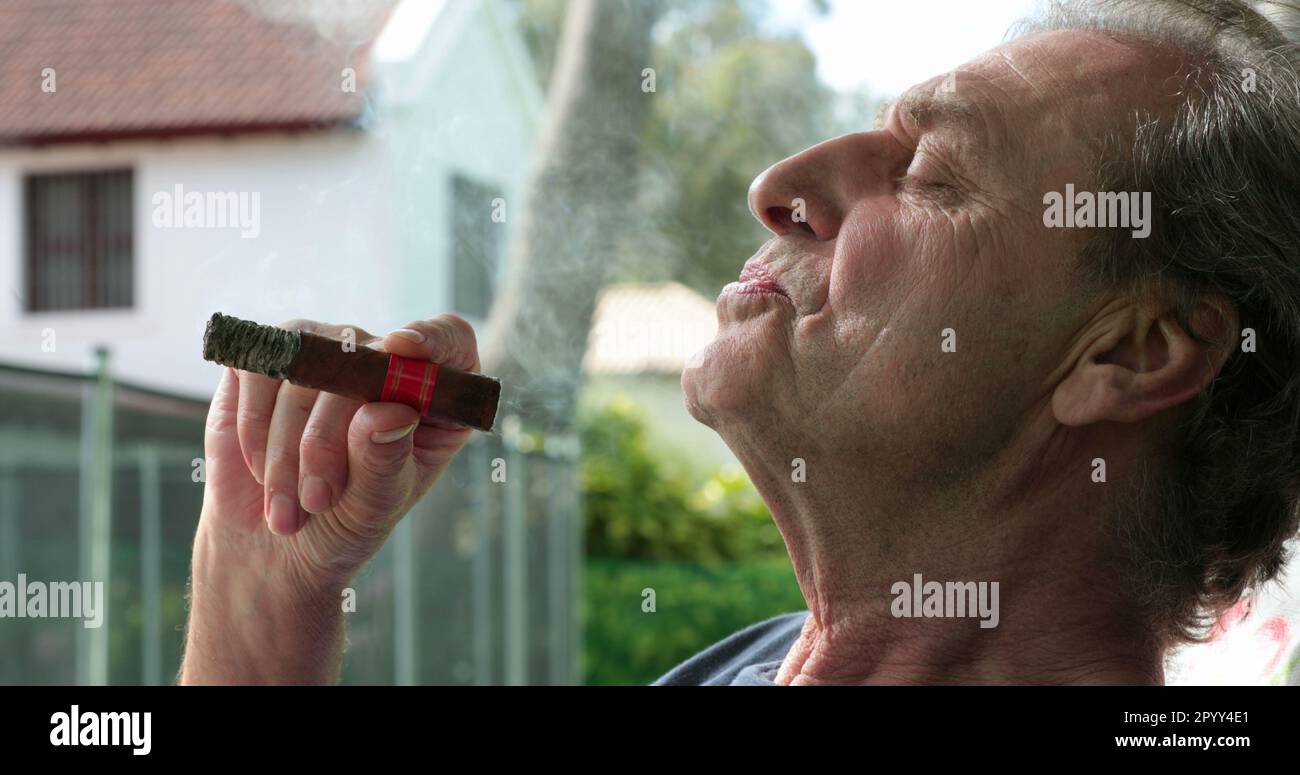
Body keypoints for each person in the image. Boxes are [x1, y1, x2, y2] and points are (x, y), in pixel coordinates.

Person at [180, 0, 1300, 685]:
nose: (777, 188)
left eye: (933, 175)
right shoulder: (741, 668)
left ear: (1136, 352)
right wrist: (264, 596)